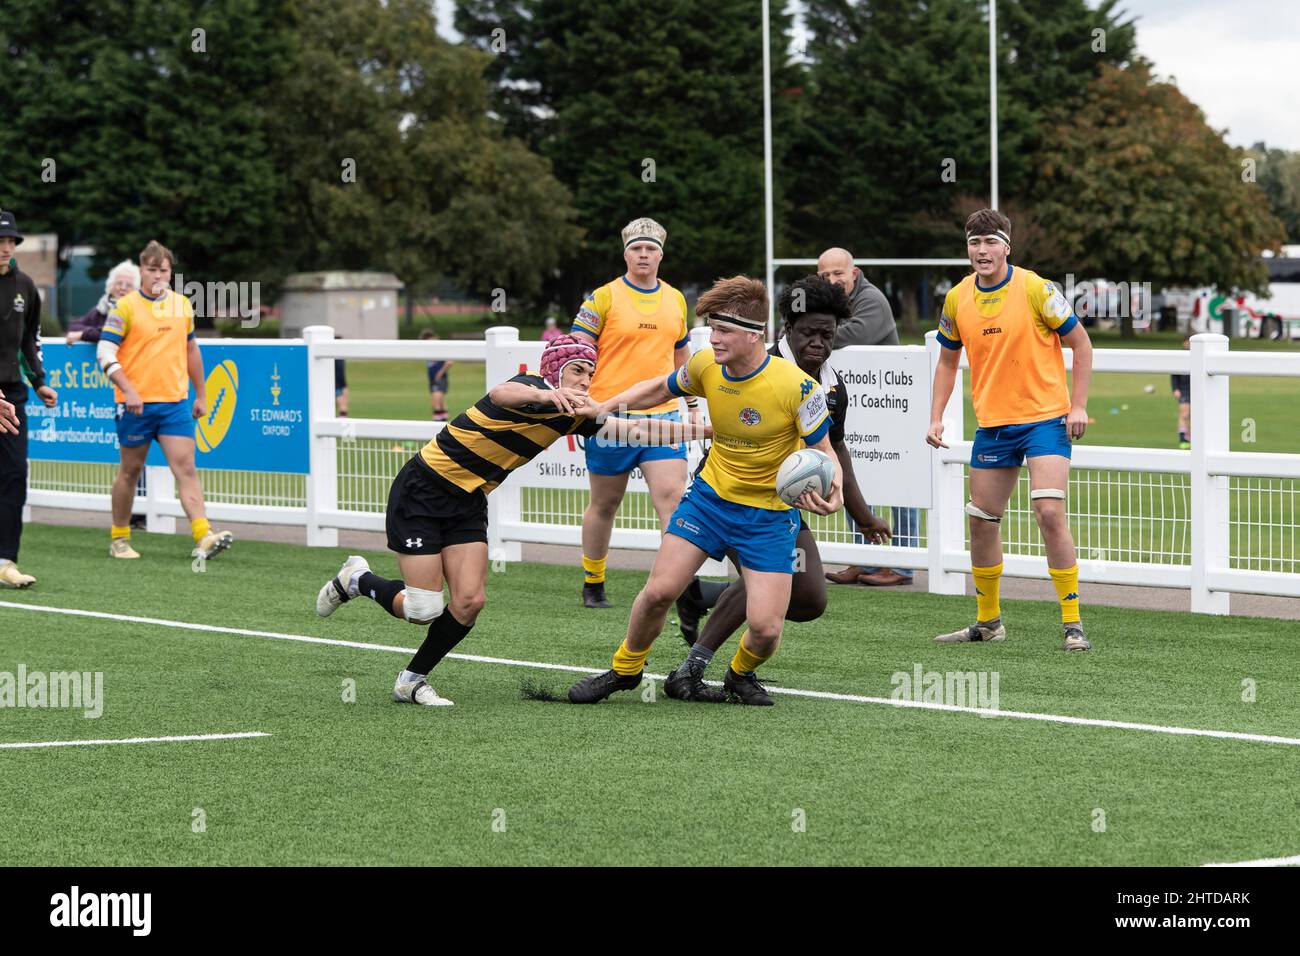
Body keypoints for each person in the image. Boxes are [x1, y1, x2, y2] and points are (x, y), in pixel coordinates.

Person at [314, 335, 711, 707]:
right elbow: (502, 392)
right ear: (555, 371)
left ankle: (412, 680)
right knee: (423, 609)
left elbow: (638, 428)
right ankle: (357, 580)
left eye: (590, 373)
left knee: (469, 602)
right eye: (577, 370)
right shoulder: (529, 388)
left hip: (468, 501)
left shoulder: (576, 414)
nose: (586, 380)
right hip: (423, 490)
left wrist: (707, 429)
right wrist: (547, 394)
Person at [567, 276, 844, 706]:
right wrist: (603, 406)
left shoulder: (797, 387)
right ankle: (624, 670)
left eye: (723, 331)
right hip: (708, 502)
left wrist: (836, 493)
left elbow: (825, 451)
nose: (712, 339)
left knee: (767, 629)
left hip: (769, 519)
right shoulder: (705, 366)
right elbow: (660, 387)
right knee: (659, 592)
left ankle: (738, 674)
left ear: (755, 335)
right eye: (711, 328)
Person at [666, 275, 891, 703]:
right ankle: (694, 670)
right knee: (768, 578)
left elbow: (834, 450)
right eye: (810, 333)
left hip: (784, 498)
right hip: (731, 495)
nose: (819, 344)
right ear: (786, 327)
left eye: (829, 335)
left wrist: (861, 514)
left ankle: (703, 595)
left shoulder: (829, 386)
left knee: (808, 599)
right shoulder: (754, 360)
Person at [927, 209, 1094, 652]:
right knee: (981, 521)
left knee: (1049, 512)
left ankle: (1073, 623)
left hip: (1044, 420)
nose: (982, 251)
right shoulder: (957, 297)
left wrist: (1078, 405)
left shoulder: (1037, 288)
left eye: (990, 242)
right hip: (993, 425)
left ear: (1007, 247)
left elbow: (1081, 343)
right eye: (974, 243)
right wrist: (936, 416)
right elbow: (947, 360)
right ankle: (988, 623)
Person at [570, 217, 694, 609]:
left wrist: (690, 404)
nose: (644, 254)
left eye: (651, 249)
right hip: (609, 417)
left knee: (673, 501)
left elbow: (681, 355)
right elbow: (576, 352)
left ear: (661, 254)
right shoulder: (602, 297)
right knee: (605, 504)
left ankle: (669, 587)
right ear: (625, 254)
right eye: (637, 249)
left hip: (663, 417)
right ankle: (593, 581)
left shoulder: (675, 299)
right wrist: (579, 402)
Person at [97, 240, 233, 561]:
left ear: (171, 273)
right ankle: (119, 538)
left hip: (174, 404)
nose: (157, 275)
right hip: (136, 406)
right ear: (141, 271)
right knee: (130, 471)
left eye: (164, 269)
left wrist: (200, 394)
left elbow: (191, 350)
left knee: (186, 468)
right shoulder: (125, 307)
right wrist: (128, 389)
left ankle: (203, 535)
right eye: (151, 269)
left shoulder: (182, 305)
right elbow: (105, 351)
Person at [816, 246, 916, 587]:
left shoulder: (872, 300)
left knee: (900, 479)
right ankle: (864, 558)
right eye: (825, 275)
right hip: (857, 400)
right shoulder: (829, 302)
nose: (832, 280)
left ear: (853, 274)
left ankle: (902, 564)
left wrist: (816, 334)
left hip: (891, 402)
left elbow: (854, 335)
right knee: (853, 473)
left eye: (838, 273)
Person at [0, 211, 58, 587]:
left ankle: (5, 562)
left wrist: (39, 381)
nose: (5, 248)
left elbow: (27, 341)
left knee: (15, 474)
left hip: (13, 396)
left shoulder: (25, 286)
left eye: (10, 242)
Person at [66, 260, 140, 345]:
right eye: (119, 283)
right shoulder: (101, 309)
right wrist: (95, 332)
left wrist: (84, 334)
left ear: (135, 290)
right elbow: (73, 327)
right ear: (111, 285)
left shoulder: (137, 312)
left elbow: (115, 334)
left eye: (129, 285)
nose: (123, 288)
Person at [419, 328, 453, 422]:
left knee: (436, 403)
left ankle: (438, 425)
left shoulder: (439, 349)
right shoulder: (430, 351)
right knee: (441, 403)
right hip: (433, 380)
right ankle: (444, 424)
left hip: (440, 380)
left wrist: (440, 373)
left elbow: (449, 362)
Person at [1171, 333, 1192, 449]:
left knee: (1195, 415)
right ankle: (1182, 438)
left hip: (1196, 388)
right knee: (1184, 413)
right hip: (1183, 388)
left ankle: (1192, 436)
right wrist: (1175, 389)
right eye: (1187, 341)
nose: (1188, 344)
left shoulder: (1197, 355)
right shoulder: (1179, 356)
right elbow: (1174, 375)